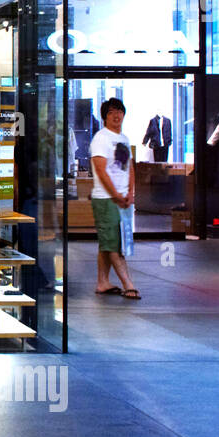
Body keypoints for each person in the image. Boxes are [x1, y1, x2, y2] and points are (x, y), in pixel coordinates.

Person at [90, 97, 139, 299]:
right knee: (114, 243)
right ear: (104, 117)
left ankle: (103, 282)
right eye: (111, 112)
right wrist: (116, 195)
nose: (116, 115)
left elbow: (130, 168)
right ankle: (128, 284)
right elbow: (101, 171)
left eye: (119, 111)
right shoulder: (101, 139)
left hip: (123, 200)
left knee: (109, 242)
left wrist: (130, 193)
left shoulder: (124, 139)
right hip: (106, 199)